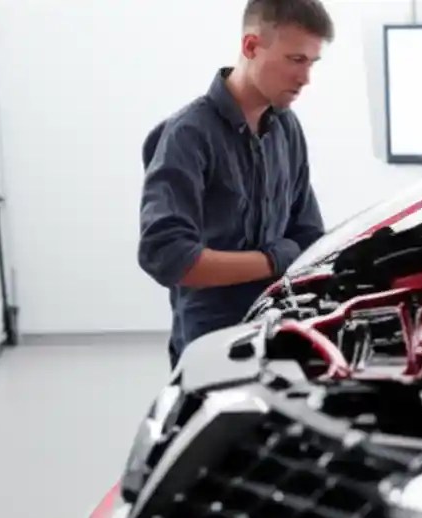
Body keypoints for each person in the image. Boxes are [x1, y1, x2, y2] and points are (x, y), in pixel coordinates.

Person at [138, 0, 333, 367]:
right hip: (210, 348)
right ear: (250, 47)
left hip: (277, 335)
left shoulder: (287, 129)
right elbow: (168, 256)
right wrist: (274, 260)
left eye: (311, 63)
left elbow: (307, 236)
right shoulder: (187, 136)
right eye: (295, 60)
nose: (305, 78)